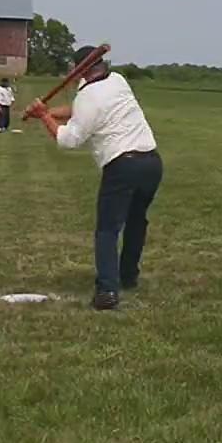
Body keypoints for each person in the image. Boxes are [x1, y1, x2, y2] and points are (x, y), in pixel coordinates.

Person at [26, 46, 164, 311]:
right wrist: (48, 112)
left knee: (107, 230)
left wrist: (44, 115)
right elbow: (82, 111)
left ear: (81, 71)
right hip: (151, 163)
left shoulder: (88, 96)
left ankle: (107, 291)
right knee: (136, 221)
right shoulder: (118, 80)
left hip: (122, 165)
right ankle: (128, 276)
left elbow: (68, 139)